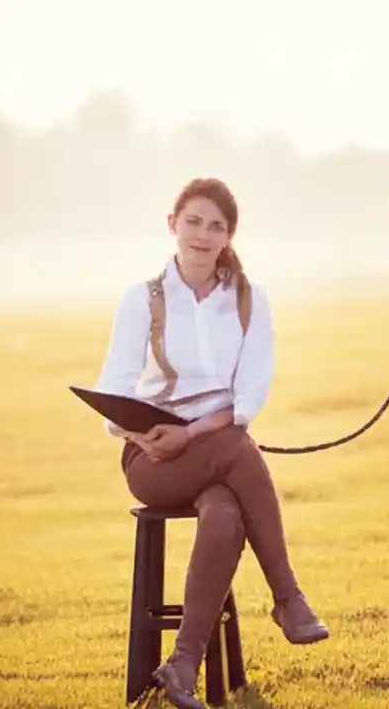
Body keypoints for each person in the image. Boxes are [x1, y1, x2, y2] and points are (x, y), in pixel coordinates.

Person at [96, 177, 328, 709]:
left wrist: (193, 432)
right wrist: (144, 434)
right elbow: (113, 389)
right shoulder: (142, 299)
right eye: (194, 222)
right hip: (153, 461)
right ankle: (287, 596)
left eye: (216, 226)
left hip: (217, 450)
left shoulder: (249, 300)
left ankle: (181, 667)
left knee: (225, 512)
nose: (203, 234)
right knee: (237, 450)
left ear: (228, 237)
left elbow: (248, 394)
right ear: (172, 224)